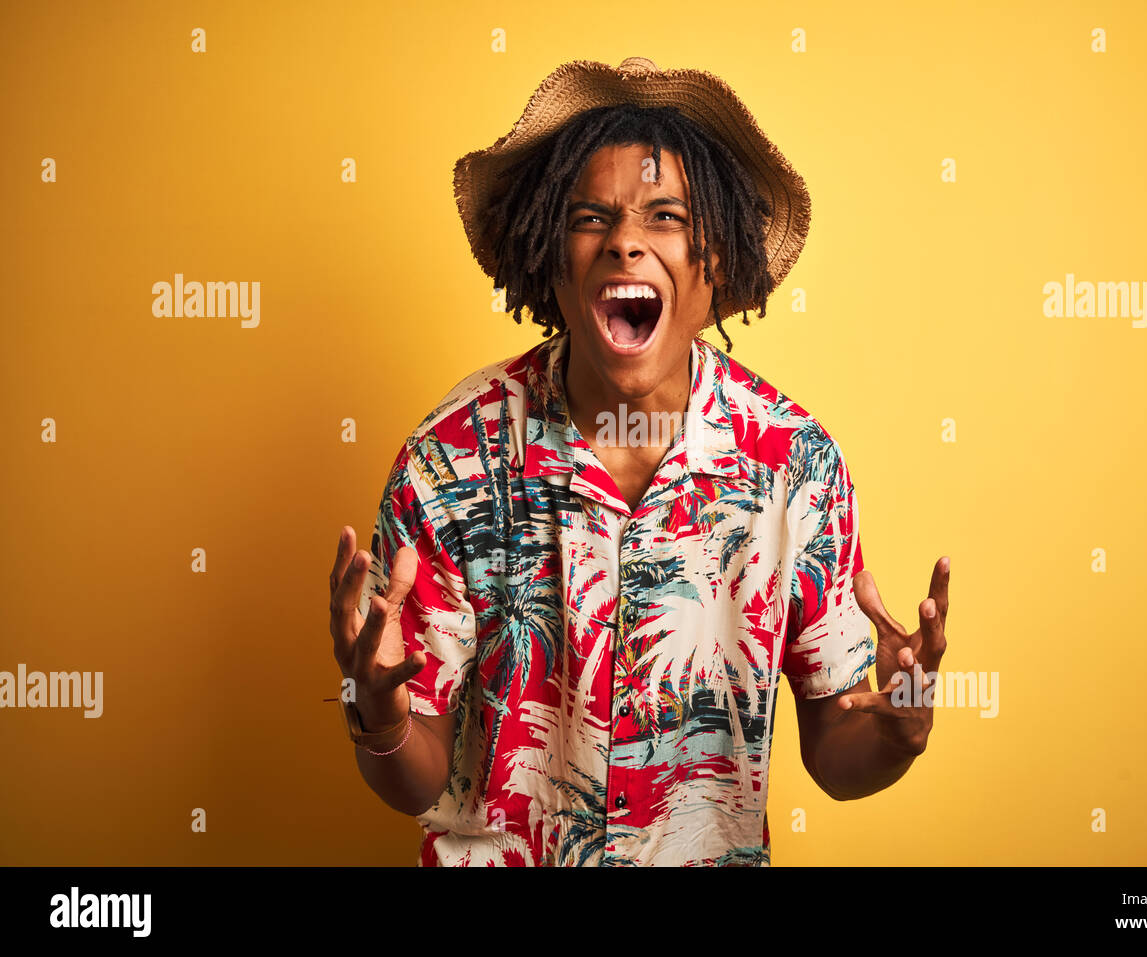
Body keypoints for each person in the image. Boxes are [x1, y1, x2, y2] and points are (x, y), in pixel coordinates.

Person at [327, 57, 951, 866]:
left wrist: (901, 727)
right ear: (551, 261)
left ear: (715, 263)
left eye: (665, 216)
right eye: (592, 217)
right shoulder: (449, 462)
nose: (626, 240)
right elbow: (417, 775)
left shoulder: (794, 463)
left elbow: (837, 751)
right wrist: (376, 715)